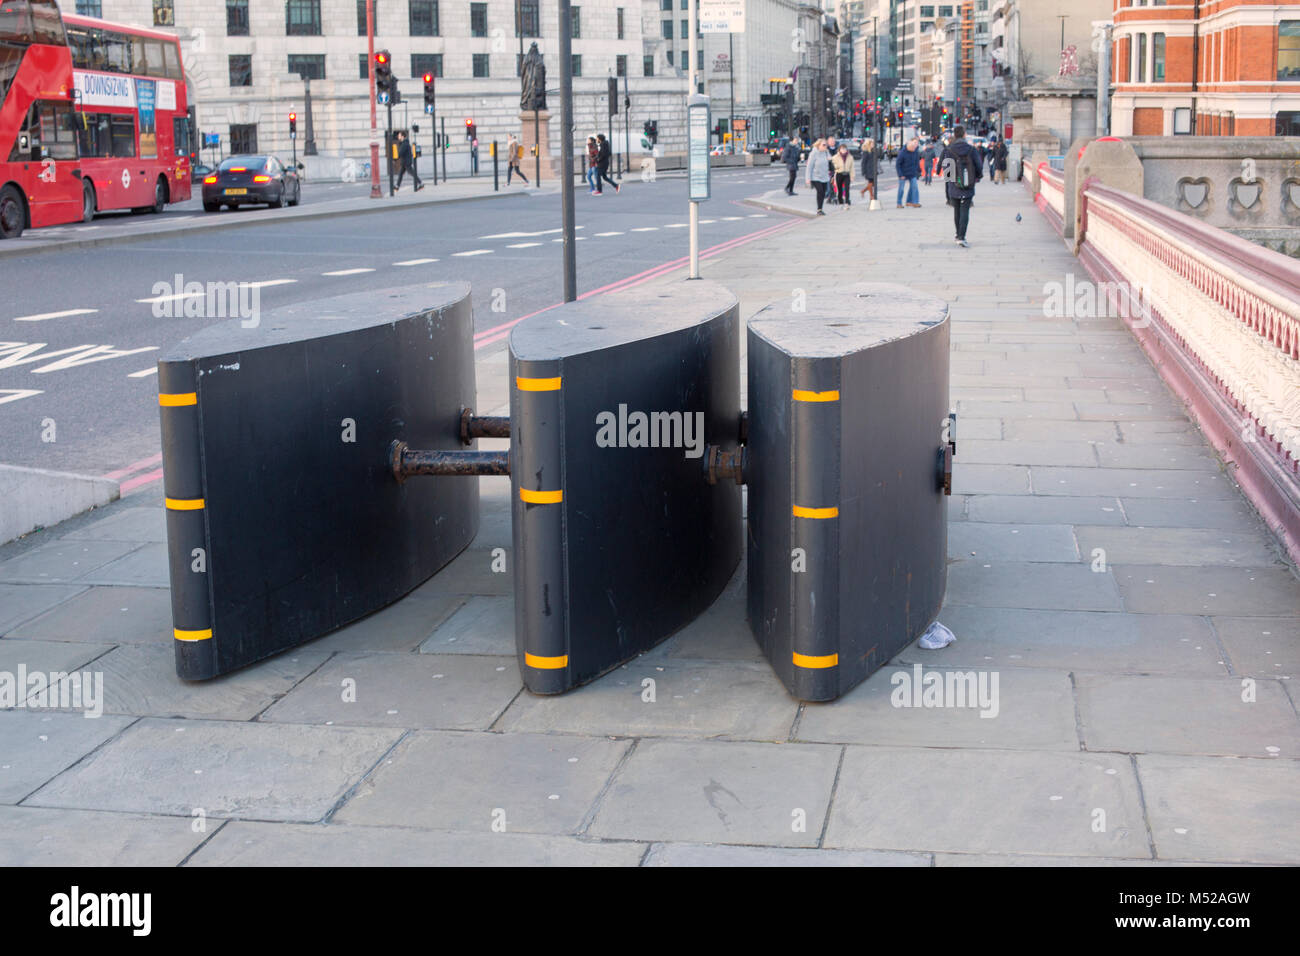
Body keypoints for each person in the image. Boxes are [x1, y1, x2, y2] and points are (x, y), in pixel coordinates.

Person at [942, 124, 982, 247]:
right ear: (964, 134)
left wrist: (949, 183)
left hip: (954, 183)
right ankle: (961, 236)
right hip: (968, 183)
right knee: (965, 209)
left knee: (957, 209)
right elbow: (978, 165)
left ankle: (957, 234)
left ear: (954, 135)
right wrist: (977, 177)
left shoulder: (949, 150)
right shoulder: (971, 149)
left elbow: (947, 167)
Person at [805, 138, 830, 216]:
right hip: (815, 177)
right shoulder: (814, 153)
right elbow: (809, 166)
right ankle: (819, 210)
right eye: (823, 145)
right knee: (820, 191)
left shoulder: (826, 153)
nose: (825, 146)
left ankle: (821, 208)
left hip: (825, 176)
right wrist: (808, 179)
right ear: (819, 145)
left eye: (826, 145)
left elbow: (831, 161)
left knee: (823, 193)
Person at [895, 137, 922, 208]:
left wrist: (919, 171)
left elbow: (916, 162)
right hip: (903, 173)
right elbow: (898, 164)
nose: (914, 149)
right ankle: (899, 203)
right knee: (901, 189)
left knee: (914, 187)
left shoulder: (915, 152)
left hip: (912, 173)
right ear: (909, 147)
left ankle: (914, 202)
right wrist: (900, 175)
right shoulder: (902, 153)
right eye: (913, 147)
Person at [831, 142, 853, 208]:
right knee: (839, 189)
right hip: (839, 174)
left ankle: (846, 201)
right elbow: (833, 164)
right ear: (839, 150)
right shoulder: (835, 157)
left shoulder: (850, 157)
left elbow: (852, 167)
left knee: (847, 188)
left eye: (845, 149)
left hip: (846, 174)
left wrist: (852, 176)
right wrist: (837, 166)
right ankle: (840, 201)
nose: (843, 150)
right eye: (842, 149)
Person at [857, 137, 878, 201]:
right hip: (868, 170)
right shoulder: (866, 152)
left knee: (873, 184)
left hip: (873, 169)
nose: (873, 144)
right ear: (869, 144)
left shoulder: (873, 151)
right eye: (872, 143)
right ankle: (871, 196)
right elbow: (863, 162)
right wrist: (863, 171)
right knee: (871, 183)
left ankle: (863, 191)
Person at [824, 136, 839, 203]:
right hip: (828, 169)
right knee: (829, 184)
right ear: (828, 142)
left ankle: (833, 196)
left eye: (833, 141)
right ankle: (830, 196)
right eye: (831, 141)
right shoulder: (825, 150)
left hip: (836, 169)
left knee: (835, 184)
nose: (832, 142)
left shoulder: (837, 149)